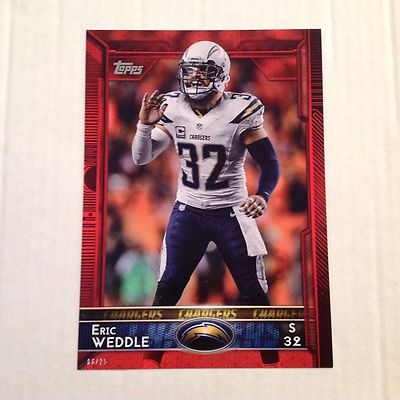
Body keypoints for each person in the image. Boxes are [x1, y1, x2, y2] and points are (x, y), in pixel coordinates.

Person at [132, 40, 280, 367]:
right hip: (188, 210)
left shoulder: (240, 110)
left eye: (204, 71)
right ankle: (150, 361)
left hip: (232, 212)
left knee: (253, 290)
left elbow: (270, 163)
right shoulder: (172, 106)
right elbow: (141, 157)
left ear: (222, 75)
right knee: (168, 285)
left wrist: (263, 195)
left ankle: (273, 363)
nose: (195, 78)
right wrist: (144, 125)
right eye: (190, 71)